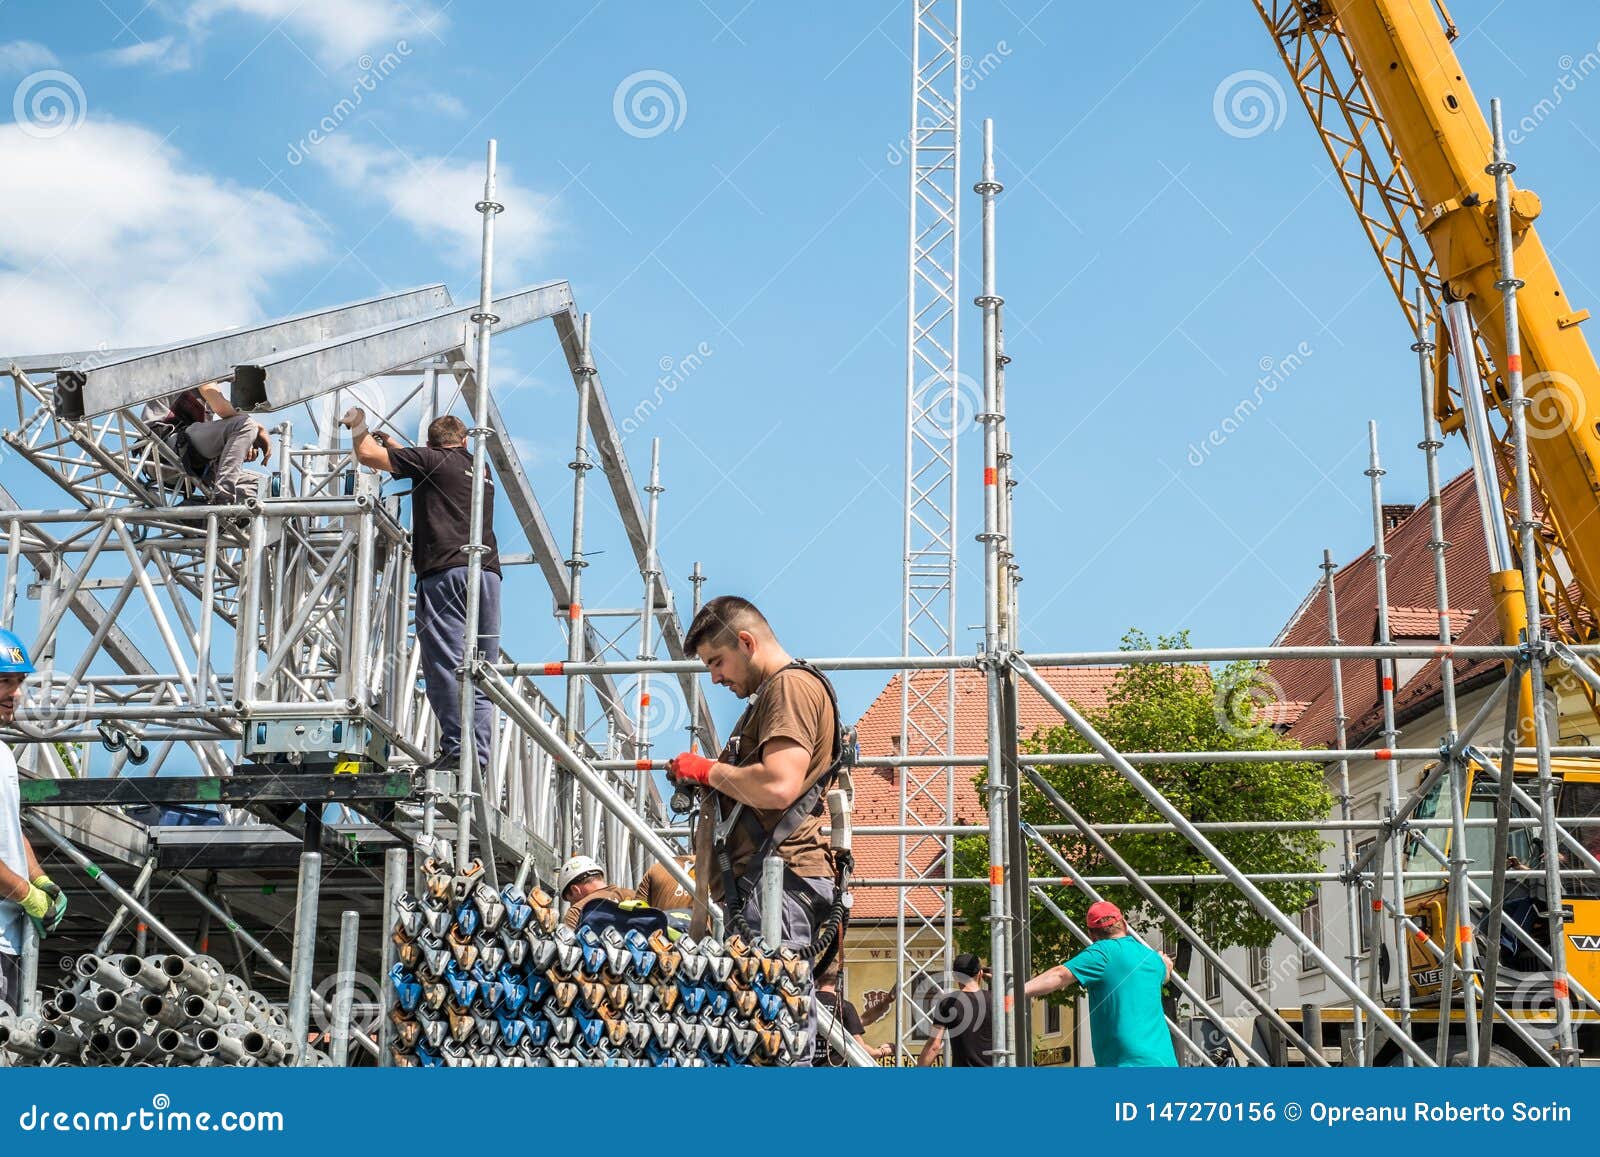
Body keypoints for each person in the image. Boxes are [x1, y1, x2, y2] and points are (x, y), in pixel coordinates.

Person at [665, 596, 843, 951]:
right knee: (768, 1003)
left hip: (779, 883)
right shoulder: (775, 694)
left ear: (746, 642)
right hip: (767, 885)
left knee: (774, 1002)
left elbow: (778, 785)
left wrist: (707, 770)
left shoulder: (789, 688)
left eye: (717, 662)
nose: (715, 678)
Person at [341, 409, 500, 769]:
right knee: (481, 672)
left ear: (430, 443)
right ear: (464, 441)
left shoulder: (430, 459)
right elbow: (432, 465)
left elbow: (366, 454)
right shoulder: (480, 469)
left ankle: (459, 753)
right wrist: (399, 449)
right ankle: (480, 758)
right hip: (487, 575)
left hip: (446, 572)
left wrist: (359, 424)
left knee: (446, 665)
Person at [0, 628, 69, 1011]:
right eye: (4, 681)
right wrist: (25, 893)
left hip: (7, 938)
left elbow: (9, 828)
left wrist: (38, 876)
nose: (16, 693)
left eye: (19, 681)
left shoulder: (3, 753)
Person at [1023, 900, 1177, 1067]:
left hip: (1126, 1062)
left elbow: (1059, 975)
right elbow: (1165, 975)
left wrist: (1014, 992)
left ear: (1092, 935)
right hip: (1165, 1061)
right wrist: (1166, 968)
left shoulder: (1101, 953)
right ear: (1124, 924)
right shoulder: (1152, 958)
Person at [149, 381, 271, 501]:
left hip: (188, 463)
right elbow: (222, 409)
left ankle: (196, 516)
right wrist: (256, 429)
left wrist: (242, 442)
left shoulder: (207, 401)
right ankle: (224, 497)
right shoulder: (201, 373)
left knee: (264, 486)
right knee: (246, 424)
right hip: (161, 450)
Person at [917, 952, 993, 1067]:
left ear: (955, 976)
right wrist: (997, 981)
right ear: (980, 973)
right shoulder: (997, 999)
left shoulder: (947, 1002)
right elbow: (1029, 1003)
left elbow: (934, 1046)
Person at [812, 964, 891, 1066]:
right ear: (839, 980)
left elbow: (863, 1020)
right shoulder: (845, 1007)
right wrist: (882, 1051)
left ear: (816, 978)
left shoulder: (805, 1005)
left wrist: (885, 1003)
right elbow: (859, 1048)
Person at [557, 854, 635, 930]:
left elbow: (568, 942)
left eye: (571, 901)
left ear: (575, 890)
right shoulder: (633, 895)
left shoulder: (576, 912)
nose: (572, 905)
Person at [634, 853, 697, 928]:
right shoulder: (712, 869)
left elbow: (638, 913)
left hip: (659, 934)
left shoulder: (659, 867)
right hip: (697, 936)